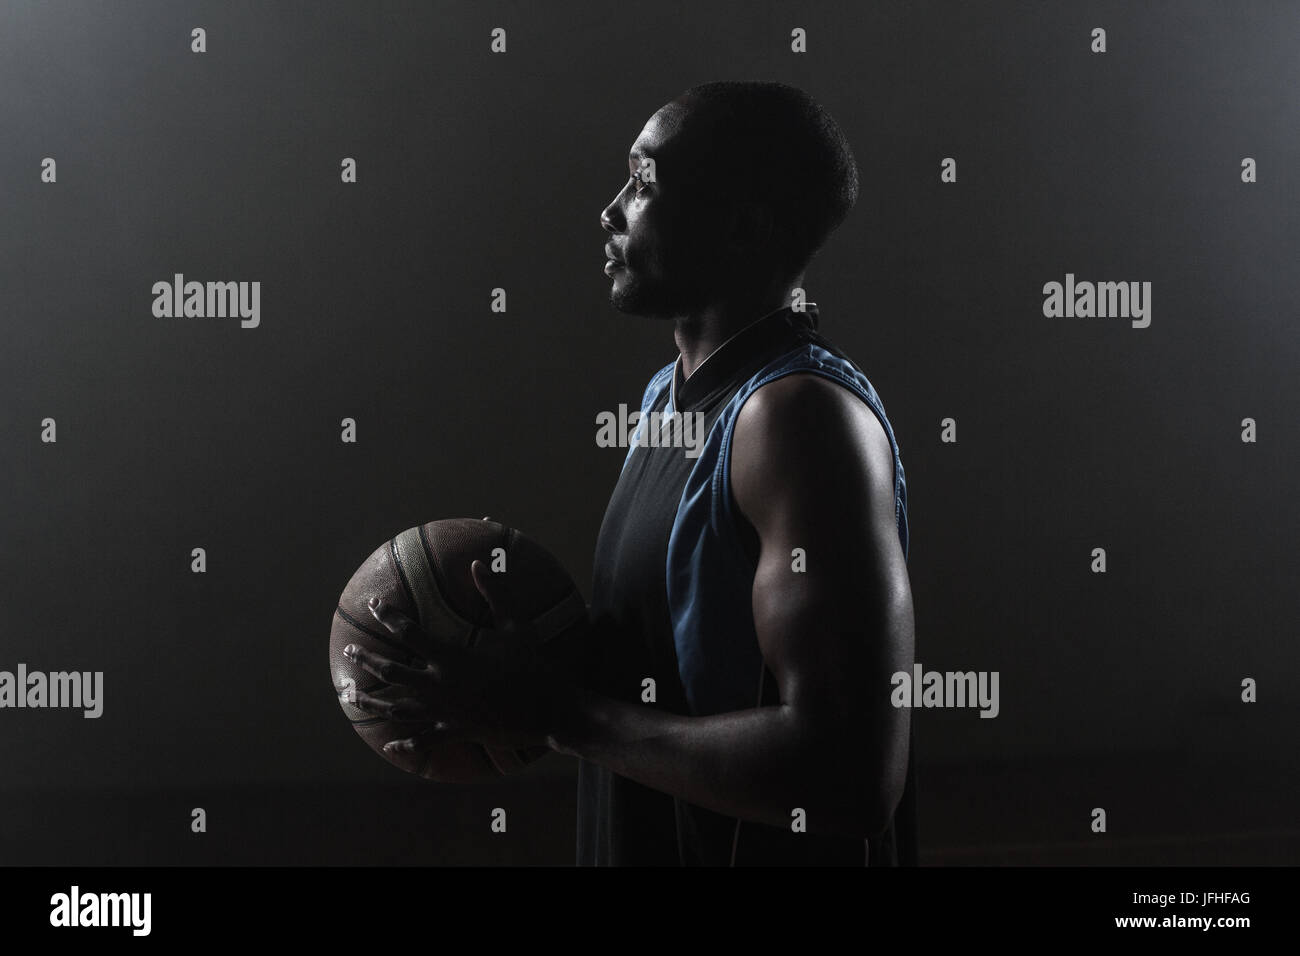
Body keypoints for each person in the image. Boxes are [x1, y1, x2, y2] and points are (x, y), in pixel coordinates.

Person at [345, 80, 917, 866]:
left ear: (743, 227)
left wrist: (560, 715)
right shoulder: (669, 398)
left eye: (645, 183)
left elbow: (850, 774)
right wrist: (505, 658)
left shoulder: (795, 420)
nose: (611, 210)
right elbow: (683, 674)